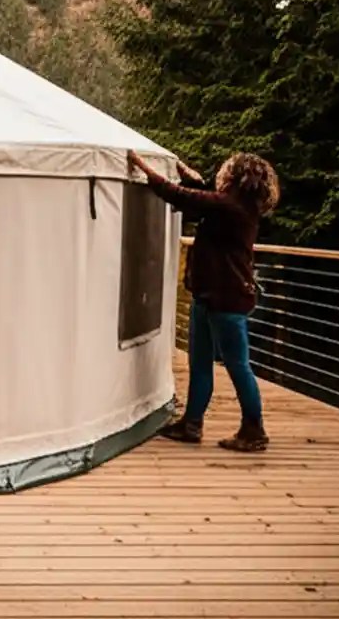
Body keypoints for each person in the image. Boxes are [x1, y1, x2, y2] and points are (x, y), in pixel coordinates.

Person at [126, 149, 281, 453]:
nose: (221, 173)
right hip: (209, 294)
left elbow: (183, 196)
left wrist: (146, 169)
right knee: (199, 364)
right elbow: (203, 196)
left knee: (238, 365)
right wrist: (188, 174)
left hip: (227, 298)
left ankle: (254, 429)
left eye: (226, 170)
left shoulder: (233, 207)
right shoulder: (235, 205)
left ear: (235, 176)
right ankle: (192, 424)